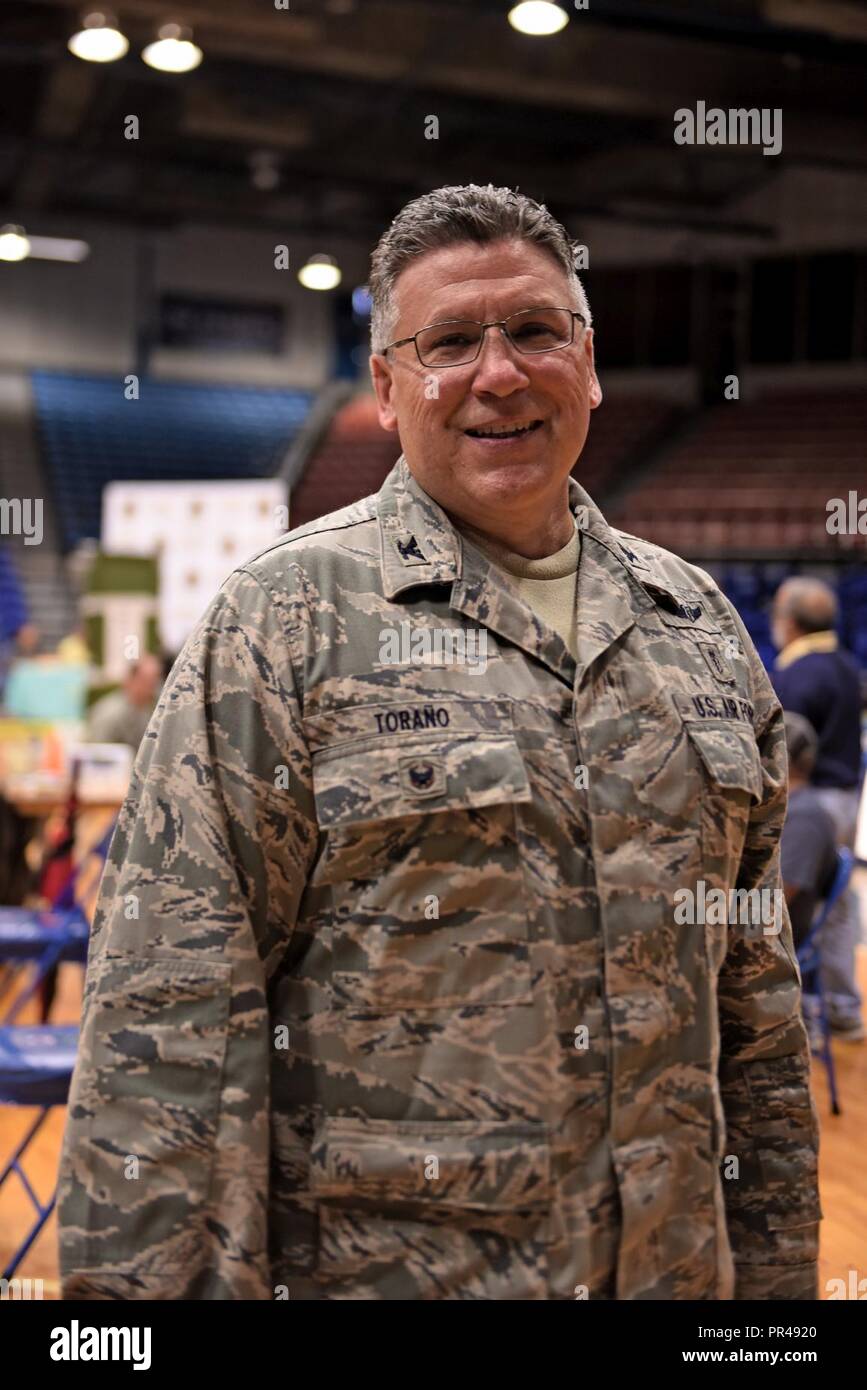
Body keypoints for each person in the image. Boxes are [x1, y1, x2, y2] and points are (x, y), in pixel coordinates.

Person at [58, 183, 819, 1302]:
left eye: (534, 331)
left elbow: (757, 1023)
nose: (499, 372)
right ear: (386, 385)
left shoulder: (695, 627)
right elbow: (164, 1028)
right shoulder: (283, 621)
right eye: (451, 341)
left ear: (591, 362)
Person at [771, 576, 864, 1039]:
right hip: (848, 800)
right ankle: (844, 1007)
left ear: (789, 623)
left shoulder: (797, 674)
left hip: (809, 804)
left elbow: (784, 749)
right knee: (840, 902)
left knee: (794, 903)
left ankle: (799, 1008)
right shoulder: (848, 664)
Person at [780, 712, 839, 952]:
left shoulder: (805, 818)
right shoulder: (792, 807)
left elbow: (773, 905)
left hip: (771, 944)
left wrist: (701, 911)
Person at [83, 653, 163, 751]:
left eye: (156, 680)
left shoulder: (147, 710)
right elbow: (97, 754)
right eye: (147, 680)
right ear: (131, 679)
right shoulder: (109, 713)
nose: (153, 687)